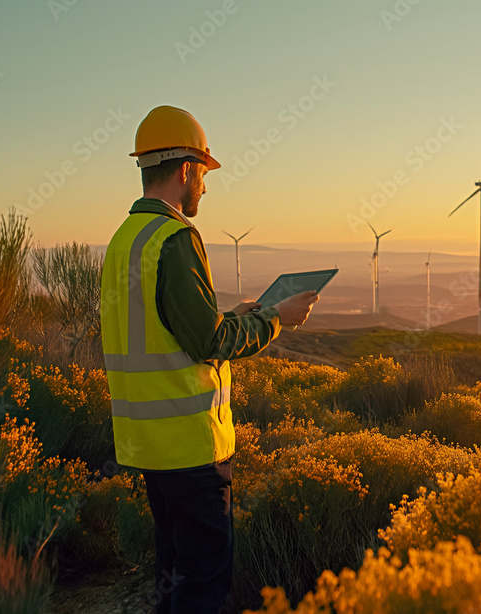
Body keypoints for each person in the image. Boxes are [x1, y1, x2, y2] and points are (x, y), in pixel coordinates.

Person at [99, 105, 318, 614]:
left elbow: (162, 323)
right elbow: (211, 344)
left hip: (146, 446)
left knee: (172, 577)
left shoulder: (123, 241)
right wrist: (275, 318)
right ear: (184, 171)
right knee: (203, 584)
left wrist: (230, 313)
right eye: (203, 174)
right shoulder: (175, 238)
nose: (205, 187)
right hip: (191, 450)